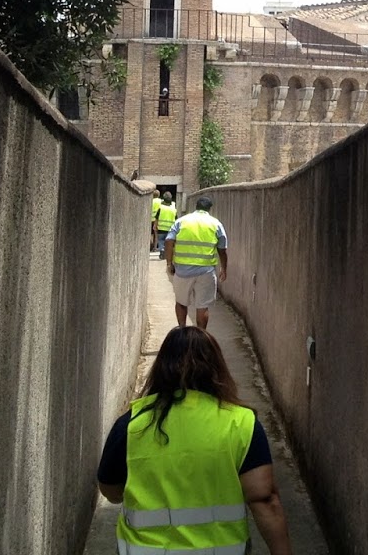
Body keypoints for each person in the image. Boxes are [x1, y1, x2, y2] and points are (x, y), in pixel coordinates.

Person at [97, 326, 292, 553]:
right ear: (217, 368)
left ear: (160, 368)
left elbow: (110, 491)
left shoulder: (131, 425)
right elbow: (264, 500)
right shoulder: (242, 424)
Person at [165, 195, 226, 330]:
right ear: (209, 209)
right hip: (206, 272)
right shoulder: (216, 224)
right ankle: (201, 334)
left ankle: (182, 331)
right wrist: (224, 268)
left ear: (196, 207)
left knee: (181, 302)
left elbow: (169, 240)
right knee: (202, 306)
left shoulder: (181, 221)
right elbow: (222, 250)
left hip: (182, 271)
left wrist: (169, 263)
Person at [153, 191, 177, 259]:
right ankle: (166, 252)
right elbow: (176, 220)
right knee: (168, 242)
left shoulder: (161, 208)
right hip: (170, 229)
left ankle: (162, 250)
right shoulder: (174, 210)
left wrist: (155, 225)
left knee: (161, 240)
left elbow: (157, 218)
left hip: (161, 228)